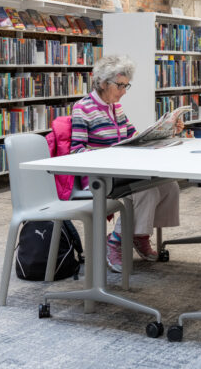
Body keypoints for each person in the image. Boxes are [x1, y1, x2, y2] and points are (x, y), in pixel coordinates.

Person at [70, 54, 182, 273]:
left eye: (126, 86)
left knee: (169, 186)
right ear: (102, 82)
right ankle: (116, 242)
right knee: (145, 192)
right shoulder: (82, 108)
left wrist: (166, 131)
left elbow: (134, 137)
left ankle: (139, 234)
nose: (123, 91)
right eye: (119, 85)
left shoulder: (116, 108)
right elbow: (77, 151)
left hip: (121, 171)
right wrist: (110, 154)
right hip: (97, 177)